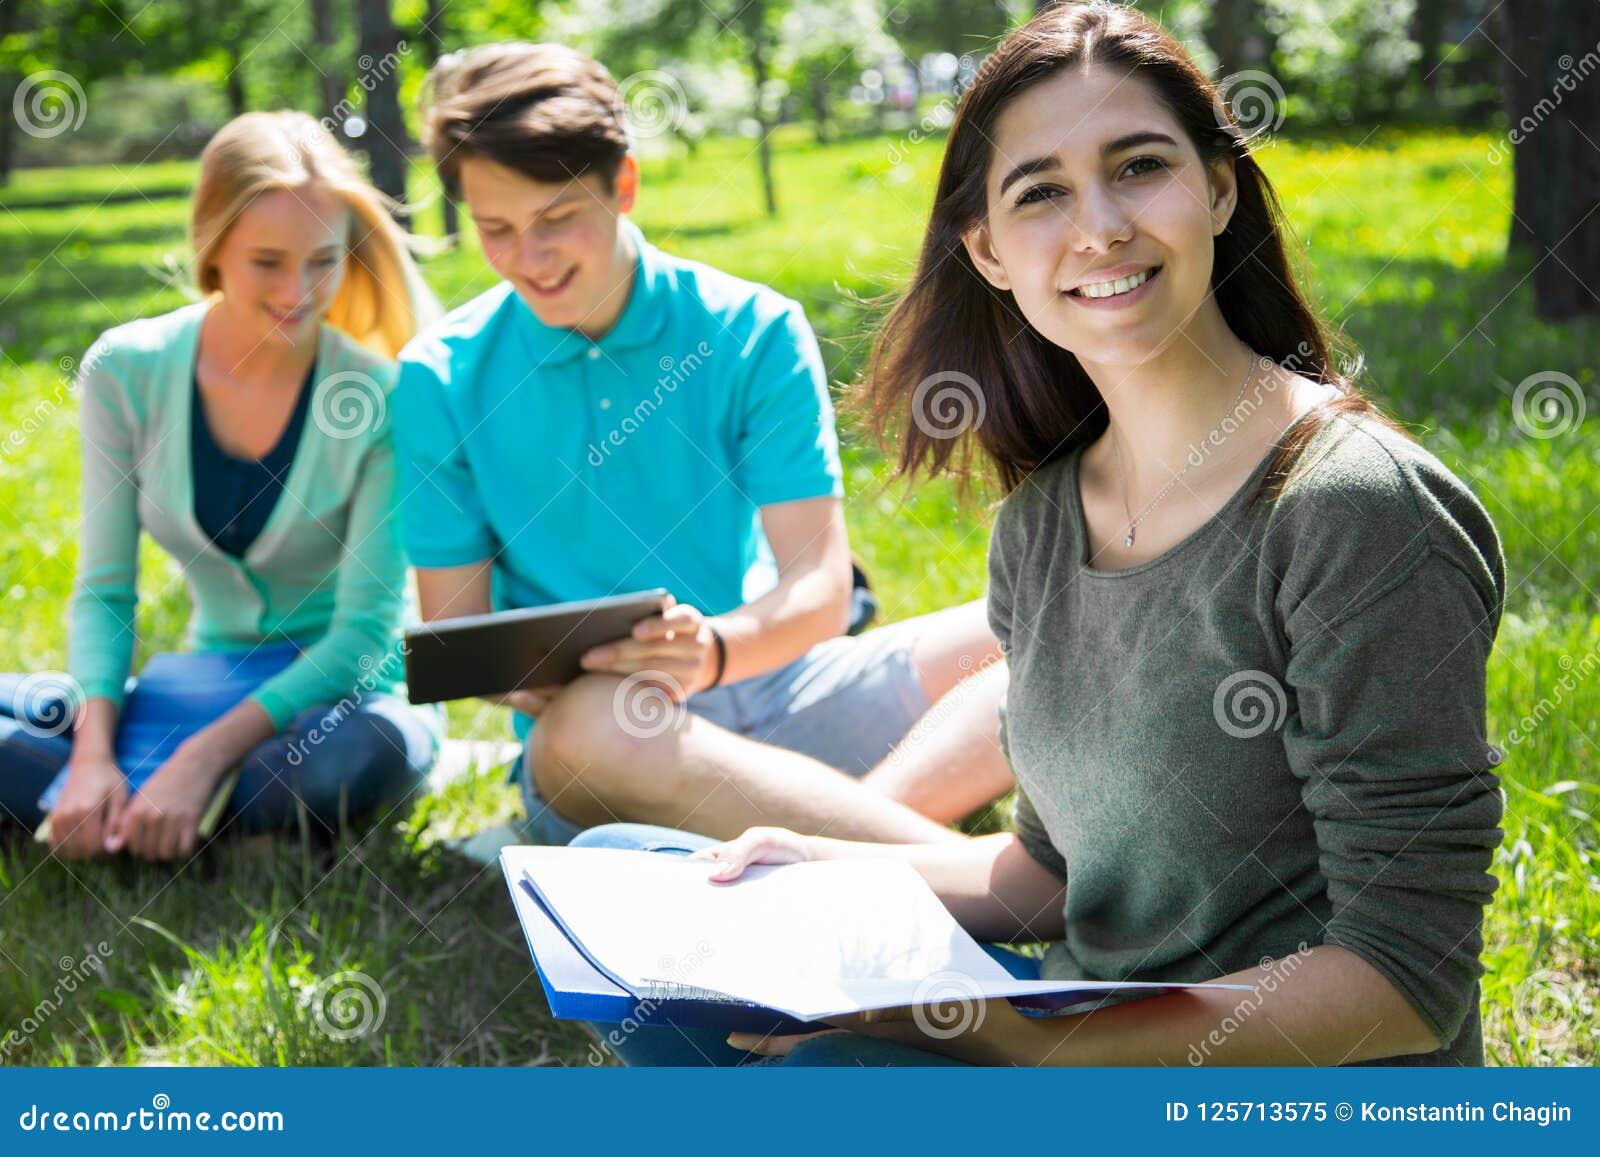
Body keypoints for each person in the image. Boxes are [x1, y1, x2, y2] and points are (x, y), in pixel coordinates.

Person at [572, 1, 1506, 1066]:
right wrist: (827, 865)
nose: (1098, 223)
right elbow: (1053, 873)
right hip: (1089, 1021)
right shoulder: (1043, 521)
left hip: (1287, 1081)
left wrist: (1023, 1045)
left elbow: (1405, 977)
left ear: (1217, 189)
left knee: (825, 1072)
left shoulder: (1351, 509)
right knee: (639, 871)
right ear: (988, 250)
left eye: (1138, 166)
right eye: (1041, 192)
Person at [396, 43, 1002, 848]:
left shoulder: (752, 329)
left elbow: (818, 590)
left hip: (779, 684)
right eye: (496, 230)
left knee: (1036, 630)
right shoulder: (439, 378)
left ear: (625, 185)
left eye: (557, 219)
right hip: (614, 736)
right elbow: (457, 639)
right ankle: (958, 873)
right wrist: (539, 683)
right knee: (597, 727)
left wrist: (709, 652)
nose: (528, 260)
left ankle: (810, 837)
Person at [0, 111, 444, 861]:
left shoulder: (379, 397)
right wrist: (91, 750)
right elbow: (106, 591)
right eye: (267, 262)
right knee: (43, 726)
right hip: (191, 688)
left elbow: (364, 638)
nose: (299, 291)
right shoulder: (126, 372)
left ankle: (177, 800)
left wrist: (202, 755)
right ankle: (155, 801)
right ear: (212, 249)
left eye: (322, 261)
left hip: (333, 704)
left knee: (358, 754)